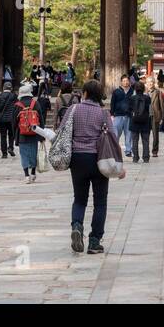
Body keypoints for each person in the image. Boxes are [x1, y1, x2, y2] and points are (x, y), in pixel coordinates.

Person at [67, 79, 121, 255]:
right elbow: (112, 137)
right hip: (99, 159)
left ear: (85, 93)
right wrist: (120, 165)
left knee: (79, 198)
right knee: (100, 202)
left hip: (77, 158)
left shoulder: (73, 110)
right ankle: (94, 241)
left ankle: (76, 225)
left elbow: (62, 130)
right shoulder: (103, 113)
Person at [14, 84, 41, 184]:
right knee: (33, 153)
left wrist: (15, 136)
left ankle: (26, 175)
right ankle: (33, 173)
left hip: (22, 134)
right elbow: (41, 119)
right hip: (34, 133)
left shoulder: (18, 105)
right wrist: (41, 135)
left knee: (24, 154)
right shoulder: (35, 103)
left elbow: (14, 122)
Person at [110, 74, 135, 158]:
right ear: (121, 82)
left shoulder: (132, 91)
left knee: (129, 134)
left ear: (129, 81)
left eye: (127, 81)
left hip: (129, 116)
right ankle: (115, 150)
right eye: (124, 81)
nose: (125, 82)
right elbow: (112, 103)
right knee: (116, 134)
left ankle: (128, 150)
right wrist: (111, 114)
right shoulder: (116, 91)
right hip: (118, 115)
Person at [0, 79, 18, 158]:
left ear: (3, 88)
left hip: (2, 119)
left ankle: (4, 153)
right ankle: (10, 148)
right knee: (11, 135)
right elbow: (17, 107)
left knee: (3, 136)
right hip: (11, 119)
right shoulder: (14, 96)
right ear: (11, 88)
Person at [149, 80, 164, 158]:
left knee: (155, 135)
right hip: (146, 116)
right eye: (149, 83)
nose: (150, 84)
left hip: (155, 115)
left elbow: (162, 105)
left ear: (154, 83)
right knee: (145, 135)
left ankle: (155, 151)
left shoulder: (158, 92)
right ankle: (146, 151)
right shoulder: (144, 92)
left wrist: (162, 117)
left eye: (151, 82)